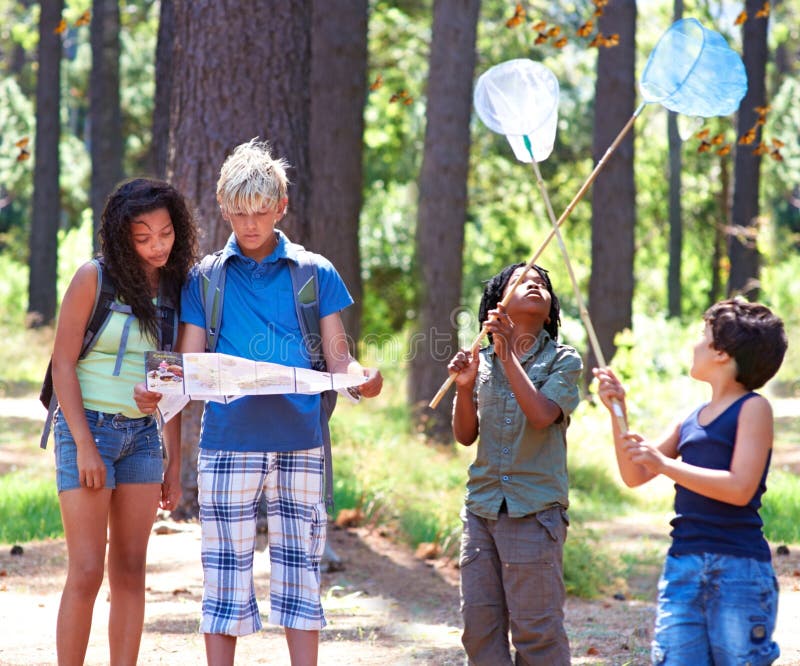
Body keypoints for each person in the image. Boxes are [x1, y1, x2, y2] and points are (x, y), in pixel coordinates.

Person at [135, 139, 382, 666]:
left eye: (261, 212)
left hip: (301, 442)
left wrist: (363, 380)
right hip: (228, 444)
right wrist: (158, 387)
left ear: (281, 208)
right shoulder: (205, 278)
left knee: (300, 576)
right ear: (224, 208)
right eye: (240, 213)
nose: (250, 224)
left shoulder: (315, 273)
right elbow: (188, 366)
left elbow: (341, 364)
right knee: (223, 576)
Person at [51, 178, 198, 665]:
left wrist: (173, 462)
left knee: (132, 569)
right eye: (144, 237)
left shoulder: (178, 289)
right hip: (87, 430)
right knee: (88, 569)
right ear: (121, 237)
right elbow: (63, 365)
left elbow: (170, 379)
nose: (158, 246)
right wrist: (85, 446)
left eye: (166, 233)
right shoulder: (92, 278)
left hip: (143, 439)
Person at [593, 298, 788, 665]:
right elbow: (636, 474)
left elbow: (739, 487)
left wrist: (665, 464)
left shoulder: (753, 408)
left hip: (738, 571)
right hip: (683, 565)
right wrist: (617, 409)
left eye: (703, 335)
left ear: (721, 353)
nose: (696, 343)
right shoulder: (690, 418)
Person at [447, 262, 582, 665]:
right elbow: (464, 435)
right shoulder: (481, 359)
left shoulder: (564, 359)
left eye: (542, 283)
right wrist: (466, 386)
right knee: (479, 629)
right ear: (497, 304)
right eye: (522, 281)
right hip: (482, 509)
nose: (535, 285)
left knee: (536, 632)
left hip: (534, 510)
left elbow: (542, 416)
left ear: (552, 306)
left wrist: (507, 357)